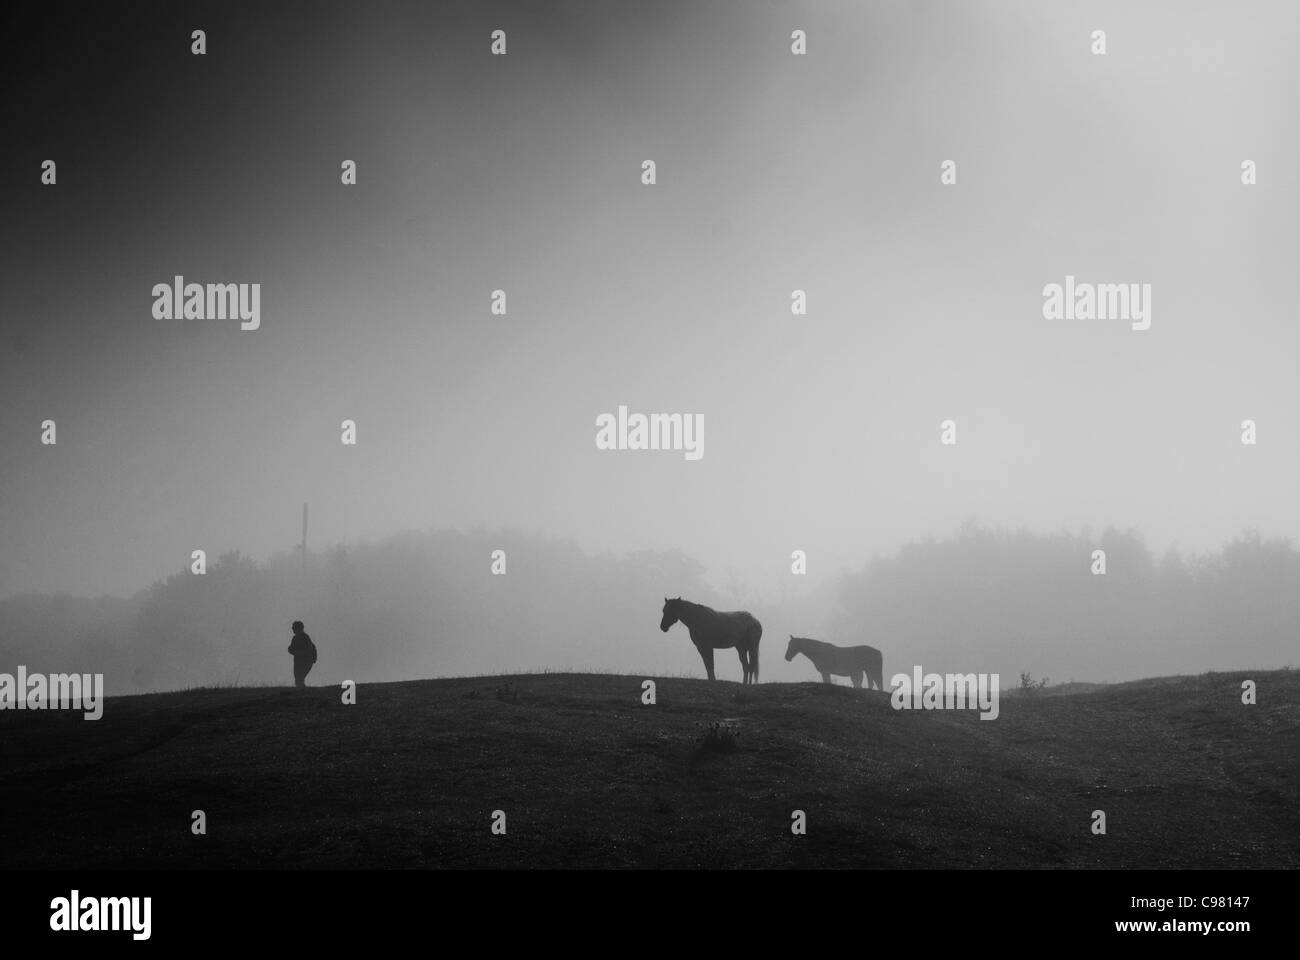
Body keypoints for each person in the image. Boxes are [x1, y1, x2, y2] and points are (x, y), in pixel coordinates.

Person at [287, 620, 317, 688]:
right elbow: (292, 649)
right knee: (299, 680)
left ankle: (304, 694)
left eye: (294, 627)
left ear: (298, 628)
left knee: (299, 679)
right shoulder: (296, 638)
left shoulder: (304, 637)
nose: (292, 629)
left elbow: (309, 649)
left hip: (305, 662)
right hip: (299, 662)